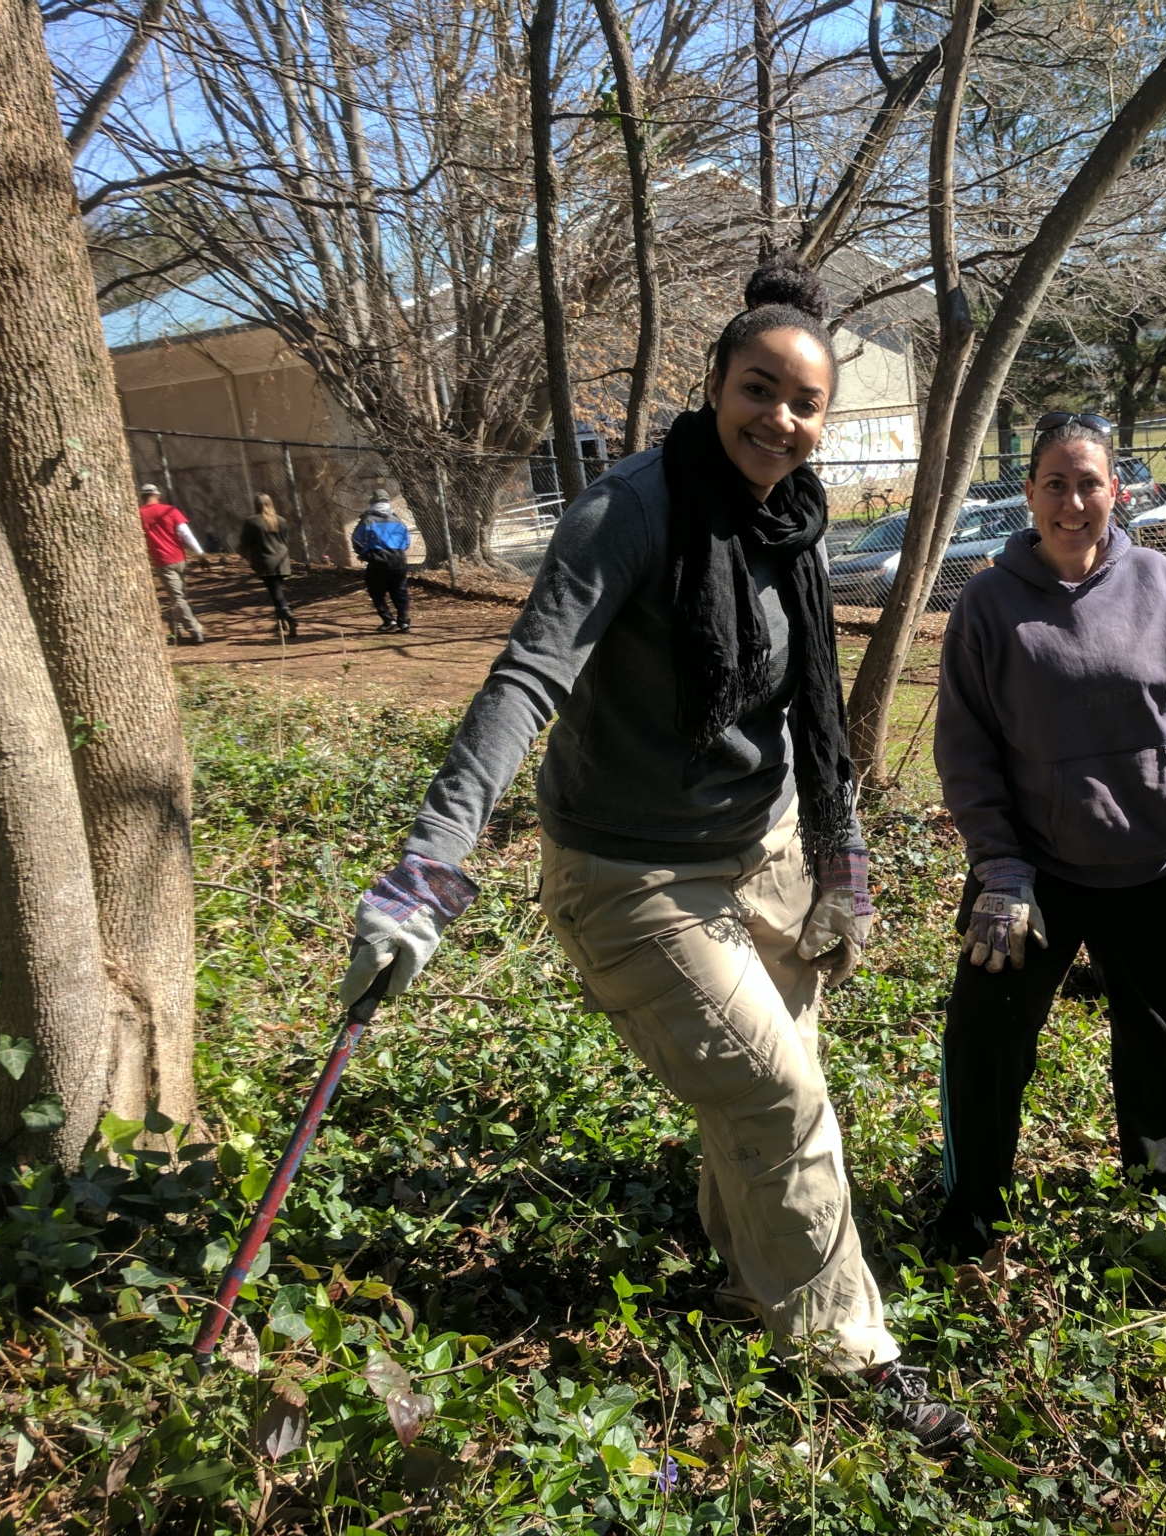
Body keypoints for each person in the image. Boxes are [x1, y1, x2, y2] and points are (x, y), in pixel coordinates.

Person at [335, 256, 971, 1451]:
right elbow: (528, 676)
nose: (778, 420)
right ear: (714, 385)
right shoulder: (630, 510)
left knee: (763, 1101)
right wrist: (428, 866)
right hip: (633, 874)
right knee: (781, 1102)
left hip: (767, 845)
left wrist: (838, 860)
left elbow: (807, 702)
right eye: (757, 390)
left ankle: (750, 1286)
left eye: (804, 403)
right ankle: (851, 1359)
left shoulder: (787, 515)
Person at [931, 411, 1166, 1260]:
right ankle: (973, 1210)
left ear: (1117, 490)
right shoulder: (988, 604)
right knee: (984, 1038)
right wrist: (1000, 870)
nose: (1073, 502)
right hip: (1032, 876)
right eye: (1054, 484)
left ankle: (1161, 1194)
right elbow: (966, 752)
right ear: (1029, 493)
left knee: (1155, 1037)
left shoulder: (1160, 584)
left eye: (1089, 483)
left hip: (1161, 866)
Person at [138, 483, 207, 644]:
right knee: (179, 596)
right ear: (158, 495)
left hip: (162, 561)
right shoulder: (170, 510)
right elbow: (186, 533)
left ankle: (192, 630)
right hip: (179, 558)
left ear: (142, 497)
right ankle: (186, 629)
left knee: (177, 598)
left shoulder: (138, 514)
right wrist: (200, 554)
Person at [238, 493, 299, 638]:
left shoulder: (252, 521)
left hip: (266, 560)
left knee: (276, 592)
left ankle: (289, 617)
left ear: (255, 505)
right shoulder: (281, 520)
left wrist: (245, 555)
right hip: (282, 560)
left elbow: (244, 543)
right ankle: (280, 622)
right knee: (275, 591)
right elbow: (285, 540)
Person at [352, 494, 412, 633]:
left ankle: (388, 620)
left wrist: (363, 553)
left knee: (376, 591)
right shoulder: (398, 521)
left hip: (378, 560)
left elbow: (356, 539)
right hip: (399, 560)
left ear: (372, 503)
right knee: (400, 591)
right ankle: (403, 622)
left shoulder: (367, 520)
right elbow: (407, 542)